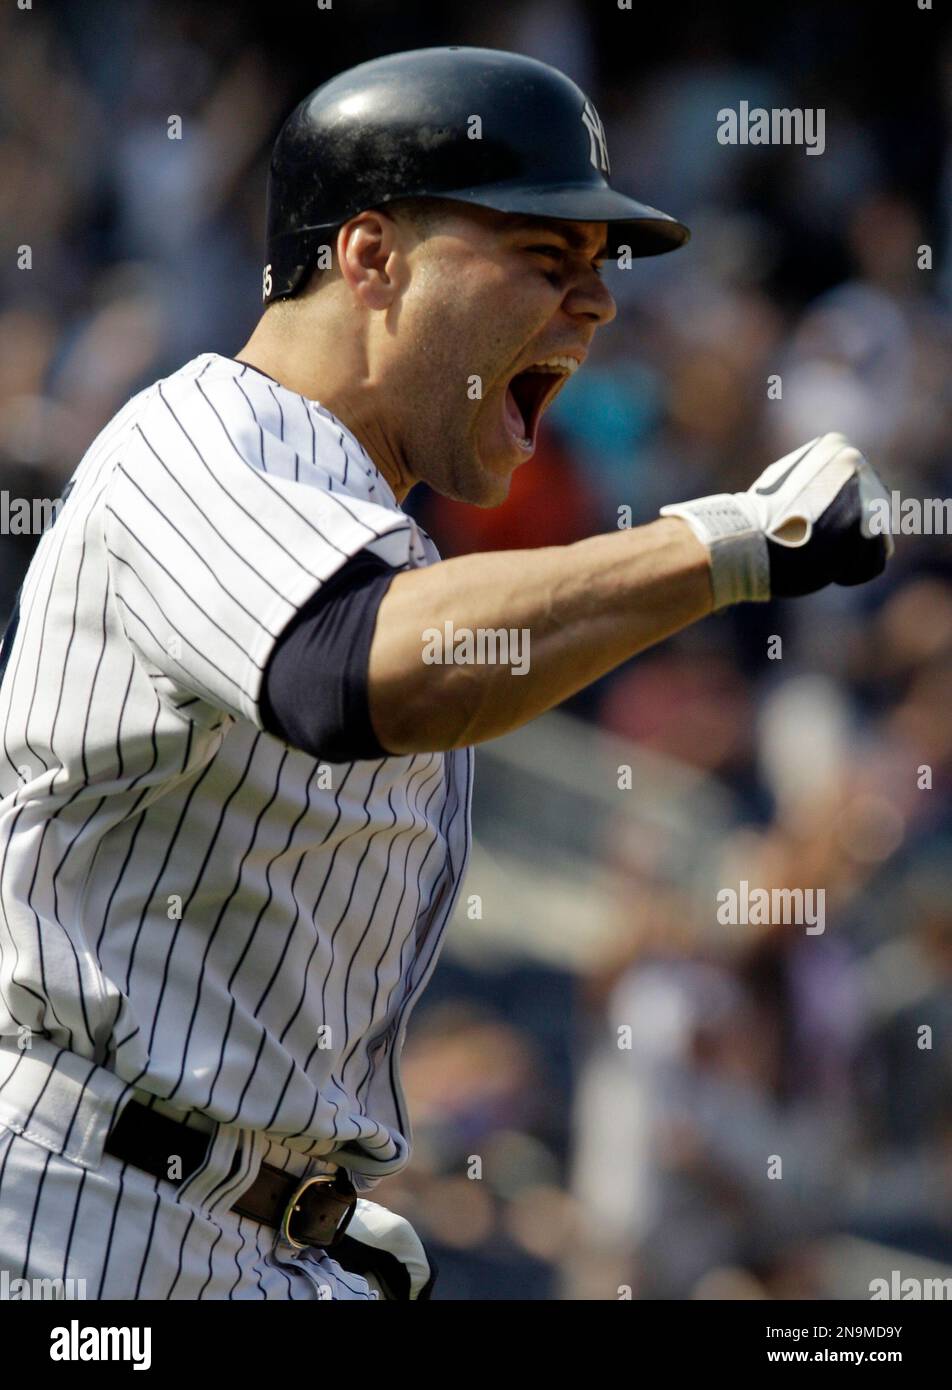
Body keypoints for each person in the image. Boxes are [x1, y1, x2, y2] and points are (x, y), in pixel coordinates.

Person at [0, 47, 891, 1301]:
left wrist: (298, 1198)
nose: (596, 306)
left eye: (597, 273)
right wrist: (727, 543)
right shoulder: (197, 435)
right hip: (77, 1230)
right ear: (370, 256)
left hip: (235, 1231)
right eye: (545, 258)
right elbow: (347, 670)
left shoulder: (376, 532)